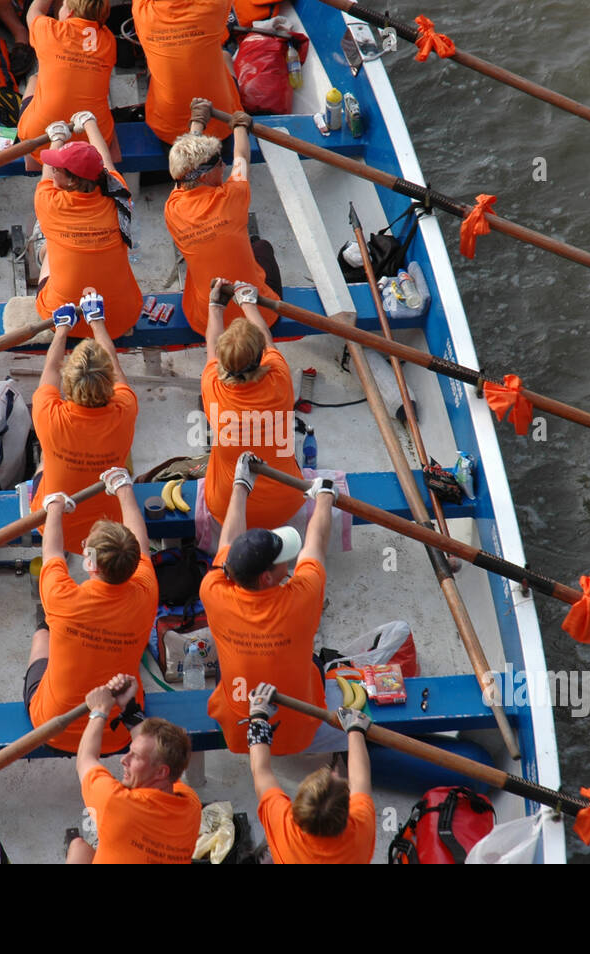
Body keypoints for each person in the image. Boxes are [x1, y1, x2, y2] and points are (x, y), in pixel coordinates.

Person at [199, 452, 337, 754]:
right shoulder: (304, 595)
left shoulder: (212, 589)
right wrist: (324, 495)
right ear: (265, 578)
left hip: (237, 733)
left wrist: (241, 485)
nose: (287, 561)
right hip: (299, 732)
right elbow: (316, 544)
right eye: (281, 560)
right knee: (314, 660)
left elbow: (227, 542)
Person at [24, 467, 157, 753]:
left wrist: (55, 508)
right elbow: (141, 541)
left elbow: (52, 552)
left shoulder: (61, 597)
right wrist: (123, 488)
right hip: (121, 727)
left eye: (86, 548)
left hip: (52, 725)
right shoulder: (147, 592)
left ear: (91, 563)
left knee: (41, 636)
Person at [30, 292, 138, 553]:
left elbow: (52, 369)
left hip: (53, 525)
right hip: (111, 531)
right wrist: (96, 321)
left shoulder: (47, 413)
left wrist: (62, 329)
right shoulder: (126, 408)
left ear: (68, 383)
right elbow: (114, 366)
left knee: (45, 457)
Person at [164, 101, 281, 334]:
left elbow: (185, 165)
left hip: (204, 321)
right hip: (260, 317)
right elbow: (241, 156)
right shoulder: (232, 197)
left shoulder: (172, 208)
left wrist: (197, 122)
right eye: (219, 164)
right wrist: (239, 125)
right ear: (205, 175)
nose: (224, 165)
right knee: (262, 247)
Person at [199, 279, 303, 531]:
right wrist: (248, 302)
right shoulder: (280, 377)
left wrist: (215, 306)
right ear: (259, 359)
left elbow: (211, 346)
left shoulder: (212, 385)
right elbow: (267, 339)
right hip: (287, 502)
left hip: (228, 510)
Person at [68, 674, 202, 864]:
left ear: (161, 772)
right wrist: (128, 708)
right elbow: (154, 752)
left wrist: (99, 710)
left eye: (135, 757)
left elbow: (85, 759)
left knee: (78, 847)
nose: (124, 759)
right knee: (82, 848)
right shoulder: (191, 806)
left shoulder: (116, 803)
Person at [246, 682, 376, 864]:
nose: (336, 770)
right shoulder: (361, 827)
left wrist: (258, 714)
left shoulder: (281, 824)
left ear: (296, 808)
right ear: (347, 814)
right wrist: (356, 730)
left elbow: (260, 771)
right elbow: (360, 778)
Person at [34, 123, 142, 338]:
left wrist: (57, 137)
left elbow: (46, 176)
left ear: (72, 181)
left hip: (62, 317)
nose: (53, 170)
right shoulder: (119, 193)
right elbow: (107, 163)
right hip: (122, 317)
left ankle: (41, 250)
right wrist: (91, 123)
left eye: (58, 169)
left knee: (47, 246)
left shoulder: (48, 202)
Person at [16, 0, 118, 165]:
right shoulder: (109, 41)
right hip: (95, 142)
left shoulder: (48, 29)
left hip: (41, 140)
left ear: (69, 13)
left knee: (35, 79)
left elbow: (35, 9)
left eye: (62, 5)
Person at [131, 0, 241, 144]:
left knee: (152, 63)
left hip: (169, 132)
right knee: (225, 55)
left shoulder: (142, 11)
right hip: (223, 124)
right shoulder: (214, 5)